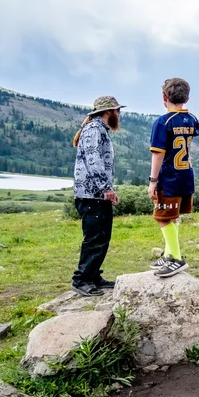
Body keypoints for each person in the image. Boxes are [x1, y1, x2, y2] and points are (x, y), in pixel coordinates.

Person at [147, 78, 199, 278]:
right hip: (186, 175)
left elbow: (158, 154)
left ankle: (177, 258)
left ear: (164, 97)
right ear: (186, 98)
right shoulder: (192, 119)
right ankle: (169, 253)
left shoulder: (163, 122)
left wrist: (153, 182)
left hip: (169, 177)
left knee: (162, 218)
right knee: (173, 216)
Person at [70, 96, 124, 297]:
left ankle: (93, 276)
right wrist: (105, 188)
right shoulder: (94, 130)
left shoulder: (98, 129)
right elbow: (94, 160)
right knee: (94, 238)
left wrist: (108, 190)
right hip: (91, 195)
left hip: (97, 195)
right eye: (118, 111)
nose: (119, 115)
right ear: (109, 111)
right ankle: (81, 280)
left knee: (102, 236)